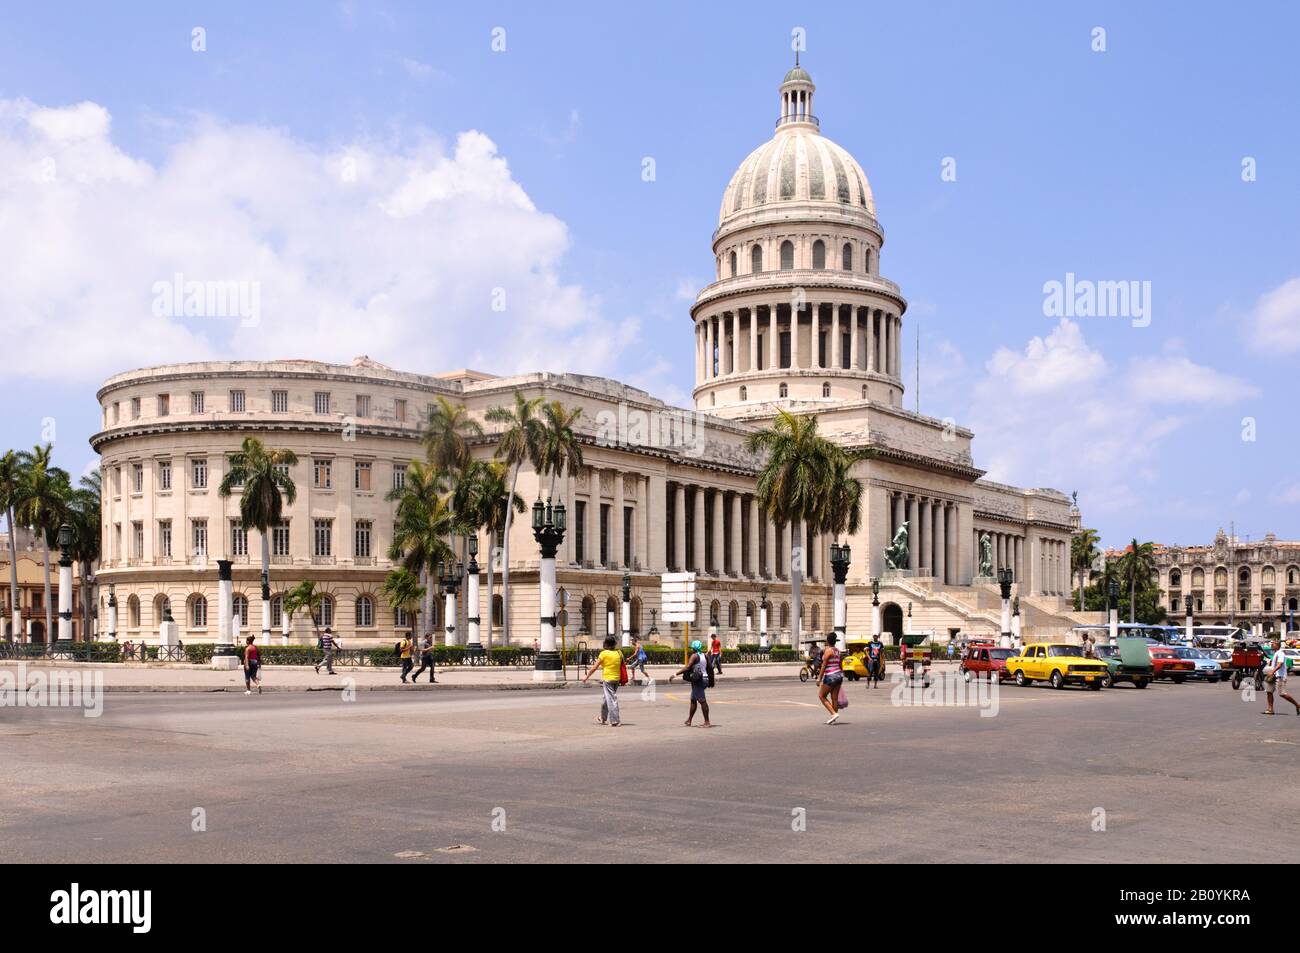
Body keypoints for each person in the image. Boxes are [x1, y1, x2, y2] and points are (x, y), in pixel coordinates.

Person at [669, 640, 712, 727]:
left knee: (702, 701)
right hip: (704, 678)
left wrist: (675, 674)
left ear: (694, 648)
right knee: (693, 700)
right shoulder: (705, 655)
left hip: (699, 680)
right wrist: (710, 680)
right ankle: (689, 720)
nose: (691, 649)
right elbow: (709, 668)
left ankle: (707, 722)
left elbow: (688, 667)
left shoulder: (694, 656)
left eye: (692, 648)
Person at [582, 636, 623, 726]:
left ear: (606, 644)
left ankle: (615, 720)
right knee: (606, 699)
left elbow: (594, 667)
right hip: (616, 679)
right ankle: (603, 718)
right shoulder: (619, 653)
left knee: (611, 699)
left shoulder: (604, 654)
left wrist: (586, 676)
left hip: (608, 679)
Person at [1262, 637, 1299, 716]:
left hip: (1280, 676)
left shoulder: (1280, 653)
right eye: (1272, 644)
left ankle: (1298, 705)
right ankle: (1270, 709)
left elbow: (1280, 664)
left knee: (1282, 693)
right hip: (1273, 676)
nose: (1272, 645)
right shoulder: (1276, 653)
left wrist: (1272, 671)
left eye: (1273, 644)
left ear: (1277, 645)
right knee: (1269, 692)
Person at [818, 633, 844, 724]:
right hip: (839, 675)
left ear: (828, 641)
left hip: (830, 676)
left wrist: (819, 679)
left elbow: (824, 665)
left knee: (821, 696)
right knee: (834, 698)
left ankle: (833, 713)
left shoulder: (828, 651)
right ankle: (834, 717)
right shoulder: (838, 651)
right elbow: (840, 665)